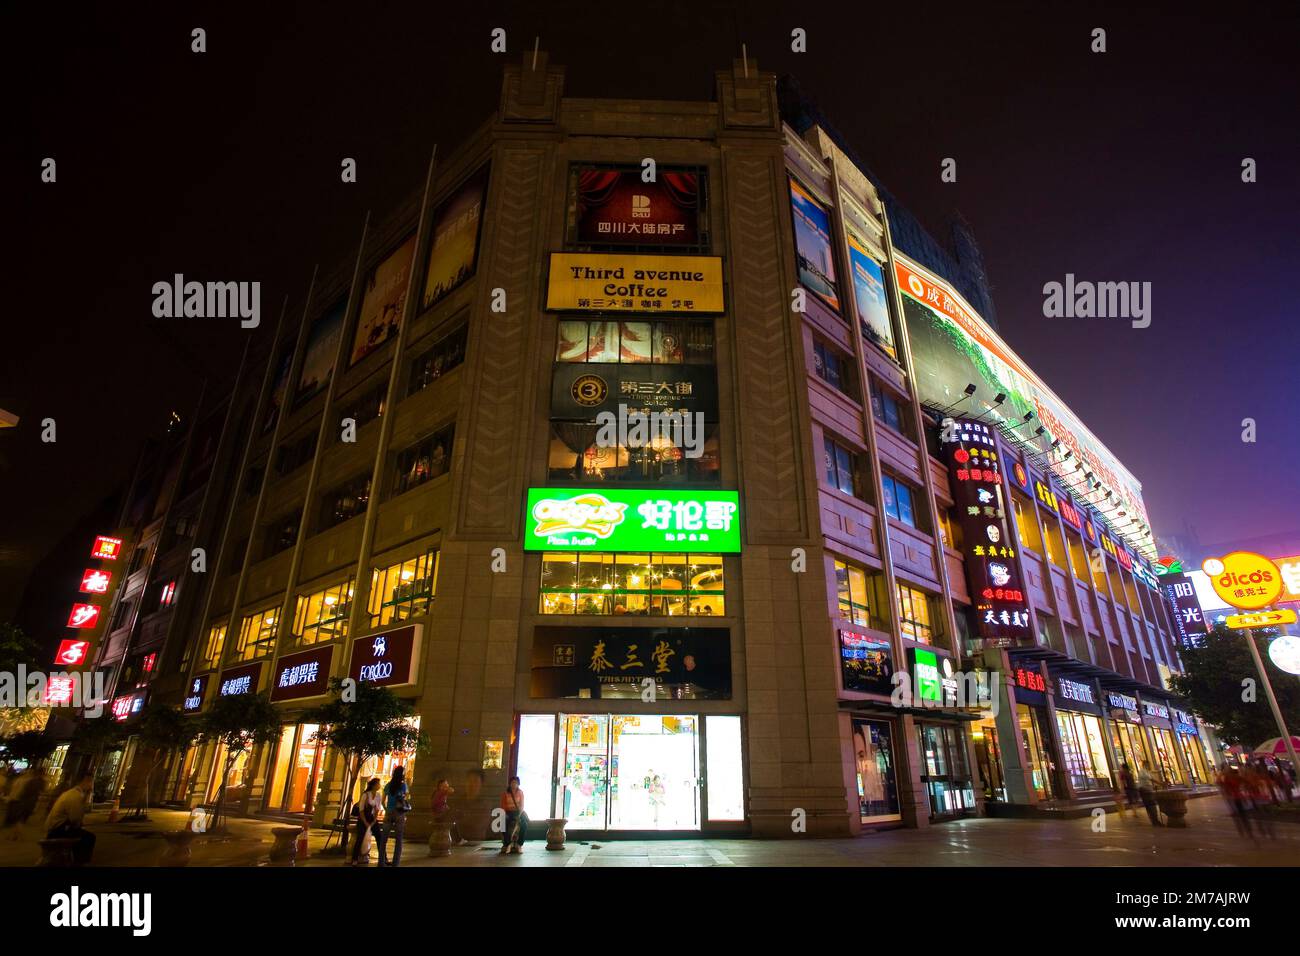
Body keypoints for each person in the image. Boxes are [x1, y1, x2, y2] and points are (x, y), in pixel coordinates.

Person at [45, 773, 96, 864]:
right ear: (86, 781)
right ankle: (79, 862)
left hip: (54, 827)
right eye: (91, 782)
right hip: (58, 830)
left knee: (82, 834)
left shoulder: (71, 793)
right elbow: (75, 819)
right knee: (89, 837)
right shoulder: (76, 796)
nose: (91, 785)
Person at [380, 767, 410, 866]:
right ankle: (395, 862)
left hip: (389, 812)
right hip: (399, 813)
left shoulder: (388, 785)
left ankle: (381, 862)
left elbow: (382, 800)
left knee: (383, 839)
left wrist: (386, 809)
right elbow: (405, 798)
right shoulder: (403, 785)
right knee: (399, 839)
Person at [350, 777, 383, 866]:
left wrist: (374, 821)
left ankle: (383, 858)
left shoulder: (378, 795)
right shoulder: (365, 795)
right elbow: (361, 810)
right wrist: (365, 822)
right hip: (363, 818)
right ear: (373, 785)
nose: (379, 785)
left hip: (372, 818)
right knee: (360, 837)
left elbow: (377, 809)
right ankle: (354, 859)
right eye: (378, 784)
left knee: (379, 837)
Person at [432, 777, 467, 846]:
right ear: (440, 786)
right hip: (440, 816)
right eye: (445, 785)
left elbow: (441, 804)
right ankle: (458, 840)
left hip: (441, 815)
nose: (447, 786)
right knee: (457, 816)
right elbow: (451, 790)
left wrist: (447, 808)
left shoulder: (439, 793)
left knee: (453, 822)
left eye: (447, 784)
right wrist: (448, 789)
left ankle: (458, 840)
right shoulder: (440, 792)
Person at [500, 777, 526, 854]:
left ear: (518, 784)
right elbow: (503, 805)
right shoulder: (505, 793)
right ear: (510, 784)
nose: (514, 784)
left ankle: (519, 844)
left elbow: (521, 805)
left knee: (524, 824)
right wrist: (504, 814)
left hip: (518, 812)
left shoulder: (520, 792)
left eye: (515, 783)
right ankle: (508, 844)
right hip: (508, 812)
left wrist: (519, 815)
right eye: (512, 782)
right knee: (503, 824)